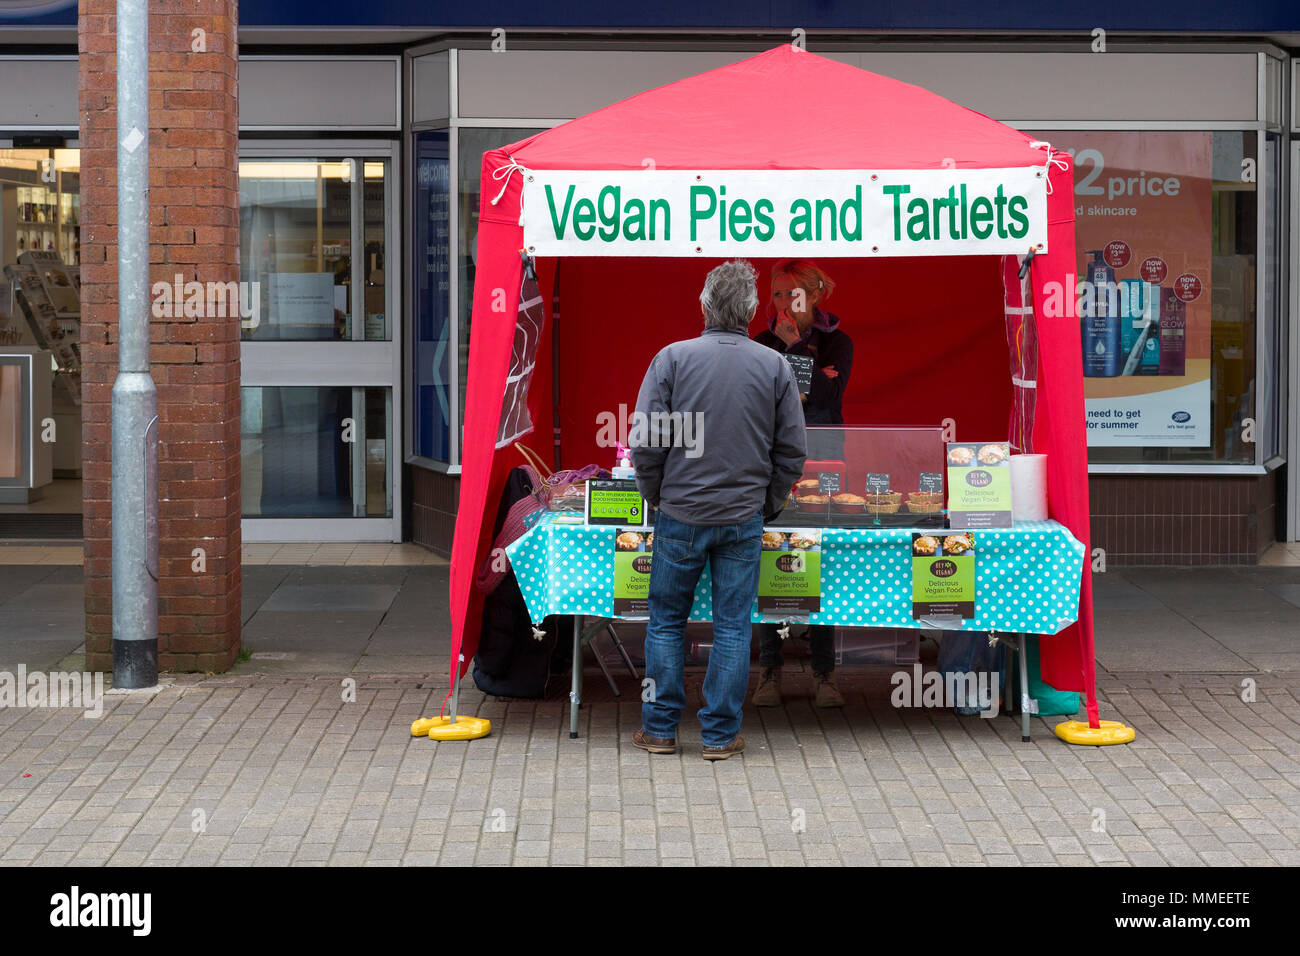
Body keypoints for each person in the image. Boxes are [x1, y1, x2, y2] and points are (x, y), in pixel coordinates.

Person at [630, 259, 807, 761]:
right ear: (752, 311)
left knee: (665, 622)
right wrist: (768, 502)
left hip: (680, 515)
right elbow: (791, 450)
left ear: (704, 305)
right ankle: (720, 735)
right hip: (741, 517)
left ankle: (660, 729)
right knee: (733, 624)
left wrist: (657, 495)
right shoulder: (774, 366)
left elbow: (646, 444)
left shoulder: (672, 360)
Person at [751, 259, 854, 709]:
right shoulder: (757, 344)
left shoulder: (839, 342)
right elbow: (773, 399)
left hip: (825, 459)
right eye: (776, 294)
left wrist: (798, 357)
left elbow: (829, 396)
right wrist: (804, 371)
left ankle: (824, 674)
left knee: (820, 559)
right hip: (771, 464)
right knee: (770, 553)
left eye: (792, 293)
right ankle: (769, 672)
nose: (783, 303)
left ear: (815, 295)